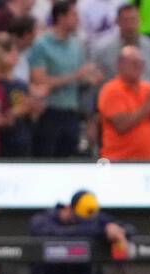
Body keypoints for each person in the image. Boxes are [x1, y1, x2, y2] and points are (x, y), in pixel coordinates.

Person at [28, 0, 102, 157]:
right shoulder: (42, 45)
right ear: (61, 17)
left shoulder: (76, 45)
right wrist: (76, 76)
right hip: (49, 112)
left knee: (69, 159)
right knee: (47, 158)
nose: (78, 19)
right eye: (74, 15)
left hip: (72, 112)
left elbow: (81, 77)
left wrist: (90, 78)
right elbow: (39, 81)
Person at [97, 44, 150, 159]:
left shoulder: (148, 89)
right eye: (134, 63)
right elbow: (122, 125)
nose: (139, 67)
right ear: (120, 65)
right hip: (120, 162)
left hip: (148, 160)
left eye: (141, 63)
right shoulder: (111, 90)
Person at [90, 2, 150, 82]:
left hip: (146, 93)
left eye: (133, 20)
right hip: (114, 93)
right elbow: (93, 78)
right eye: (126, 20)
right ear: (117, 22)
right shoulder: (103, 49)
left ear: (139, 21)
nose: (130, 25)